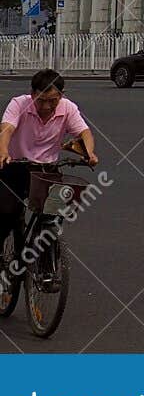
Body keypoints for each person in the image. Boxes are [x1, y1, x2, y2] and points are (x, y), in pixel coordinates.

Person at [1, 70, 97, 283]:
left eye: (52, 101)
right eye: (41, 100)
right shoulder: (19, 104)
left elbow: (84, 133)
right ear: (32, 94)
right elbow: (6, 129)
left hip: (47, 170)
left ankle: (46, 269)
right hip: (15, 166)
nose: (45, 106)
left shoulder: (68, 108)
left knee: (52, 217)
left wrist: (89, 153)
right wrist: (3, 151)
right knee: (5, 213)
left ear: (61, 96)